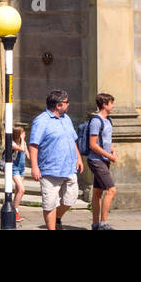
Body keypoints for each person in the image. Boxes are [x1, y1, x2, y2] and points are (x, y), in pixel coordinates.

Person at [29, 89, 82, 231]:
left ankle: (57, 217)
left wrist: (79, 158)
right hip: (50, 170)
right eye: (66, 102)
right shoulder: (41, 121)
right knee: (49, 203)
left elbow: (73, 139)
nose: (68, 104)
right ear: (58, 105)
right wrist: (34, 167)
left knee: (71, 198)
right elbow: (34, 145)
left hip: (69, 168)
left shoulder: (66, 118)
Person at [85, 92, 117, 229]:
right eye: (111, 103)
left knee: (98, 191)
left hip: (104, 159)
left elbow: (105, 140)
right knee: (111, 190)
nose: (113, 106)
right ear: (104, 105)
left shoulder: (108, 120)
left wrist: (112, 149)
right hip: (96, 160)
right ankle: (103, 223)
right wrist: (109, 156)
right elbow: (93, 144)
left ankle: (95, 224)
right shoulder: (96, 121)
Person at [1, 125, 28, 224]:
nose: (25, 134)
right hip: (14, 168)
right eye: (23, 132)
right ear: (19, 134)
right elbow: (21, 149)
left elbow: (27, 154)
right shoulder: (11, 143)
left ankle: (13, 209)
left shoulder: (23, 143)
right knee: (22, 189)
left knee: (18, 191)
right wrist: (22, 140)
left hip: (21, 169)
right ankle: (14, 211)